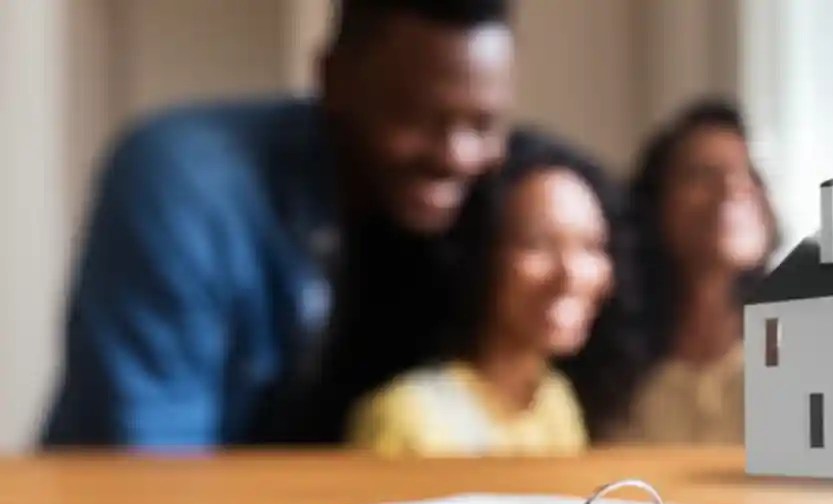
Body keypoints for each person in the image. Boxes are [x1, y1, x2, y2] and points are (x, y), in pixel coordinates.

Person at [42, 0, 515, 448]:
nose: (457, 156)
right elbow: (150, 473)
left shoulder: (512, 193)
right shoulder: (186, 183)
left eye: (484, 124)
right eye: (417, 119)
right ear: (332, 78)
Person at [347, 135, 643, 455]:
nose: (571, 274)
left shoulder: (555, 399)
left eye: (591, 247)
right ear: (481, 255)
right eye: (538, 244)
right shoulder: (407, 418)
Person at [621, 99, 779, 444]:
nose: (730, 190)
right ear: (656, 203)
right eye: (701, 175)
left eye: (746, 173)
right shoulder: (618, 369)